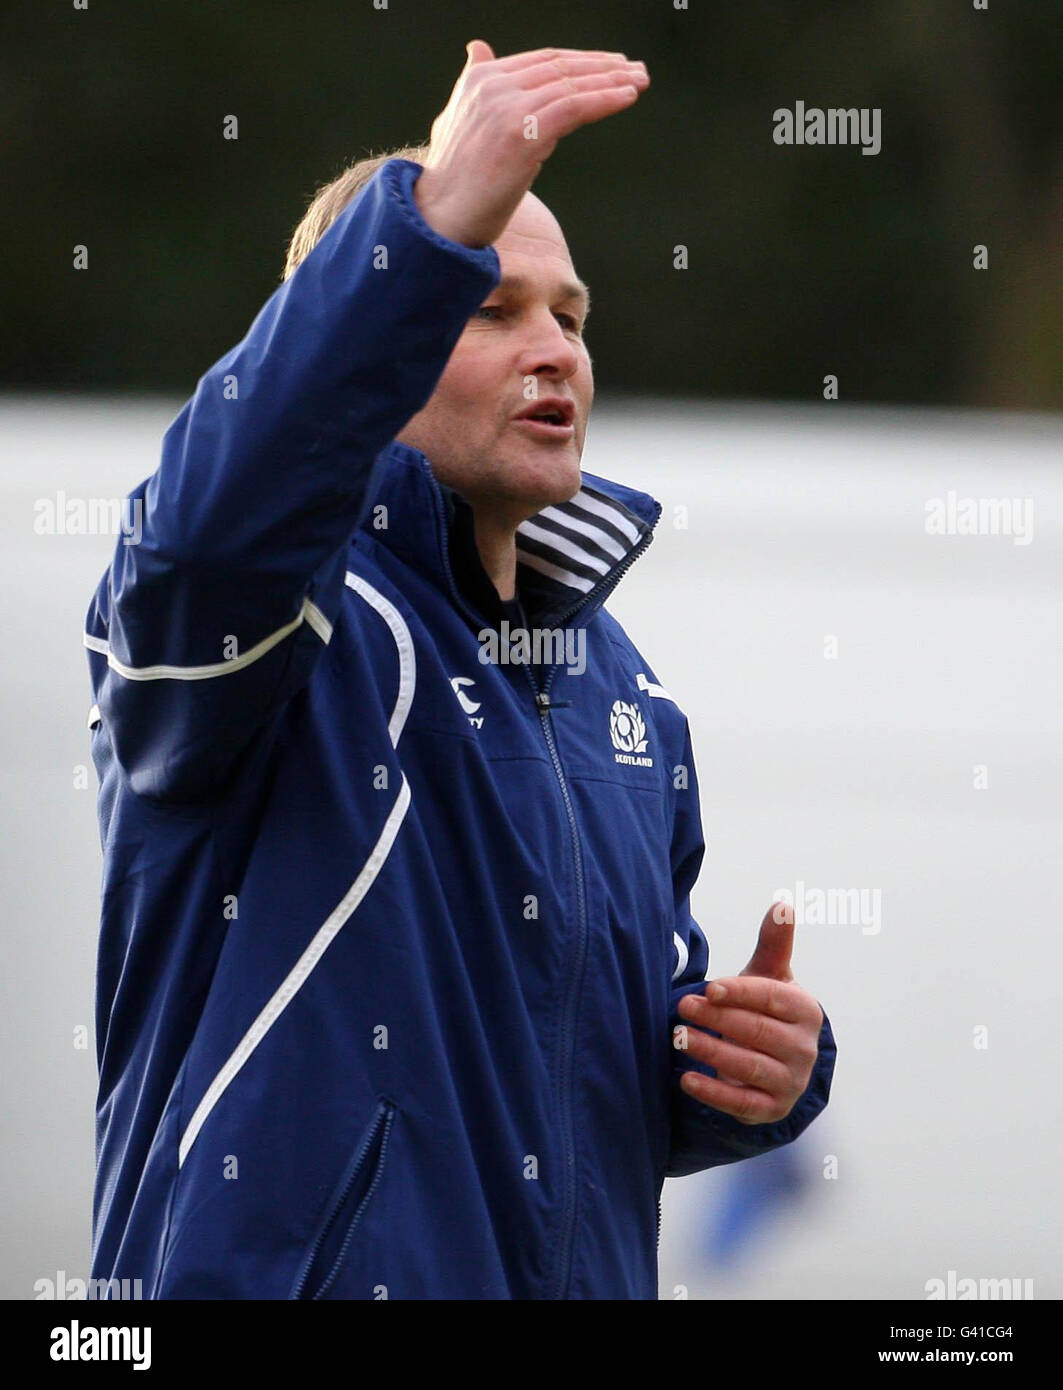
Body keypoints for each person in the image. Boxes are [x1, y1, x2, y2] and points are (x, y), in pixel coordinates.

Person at [84, 40, 835, 1301]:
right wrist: (430, 226)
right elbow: (216, 525)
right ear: (360, 341)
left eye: (571, 315)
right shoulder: (275, 620)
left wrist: (745, 1076)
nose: (555, 350)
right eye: (487, 307)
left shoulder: (623, 693)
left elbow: (562, 1080)